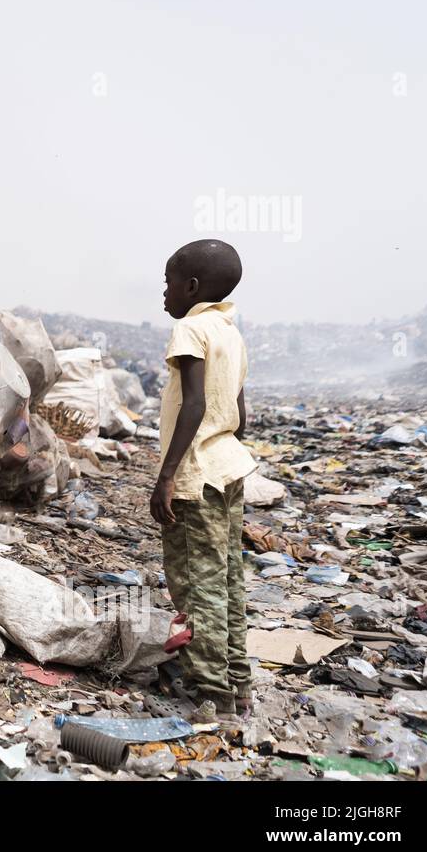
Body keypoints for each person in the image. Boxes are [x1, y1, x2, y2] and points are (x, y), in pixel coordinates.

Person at [150, 239, 257, 724]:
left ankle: (211, 695)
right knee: (228, 579)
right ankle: (238, 684)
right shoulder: (230, 333)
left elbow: (194, 405)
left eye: (168, 282)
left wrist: (166, 476)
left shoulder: (191, 329)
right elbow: (239, 411)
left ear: (191, 287)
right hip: (229, 468)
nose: (164, 292)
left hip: (196, 477)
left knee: (198, 586)